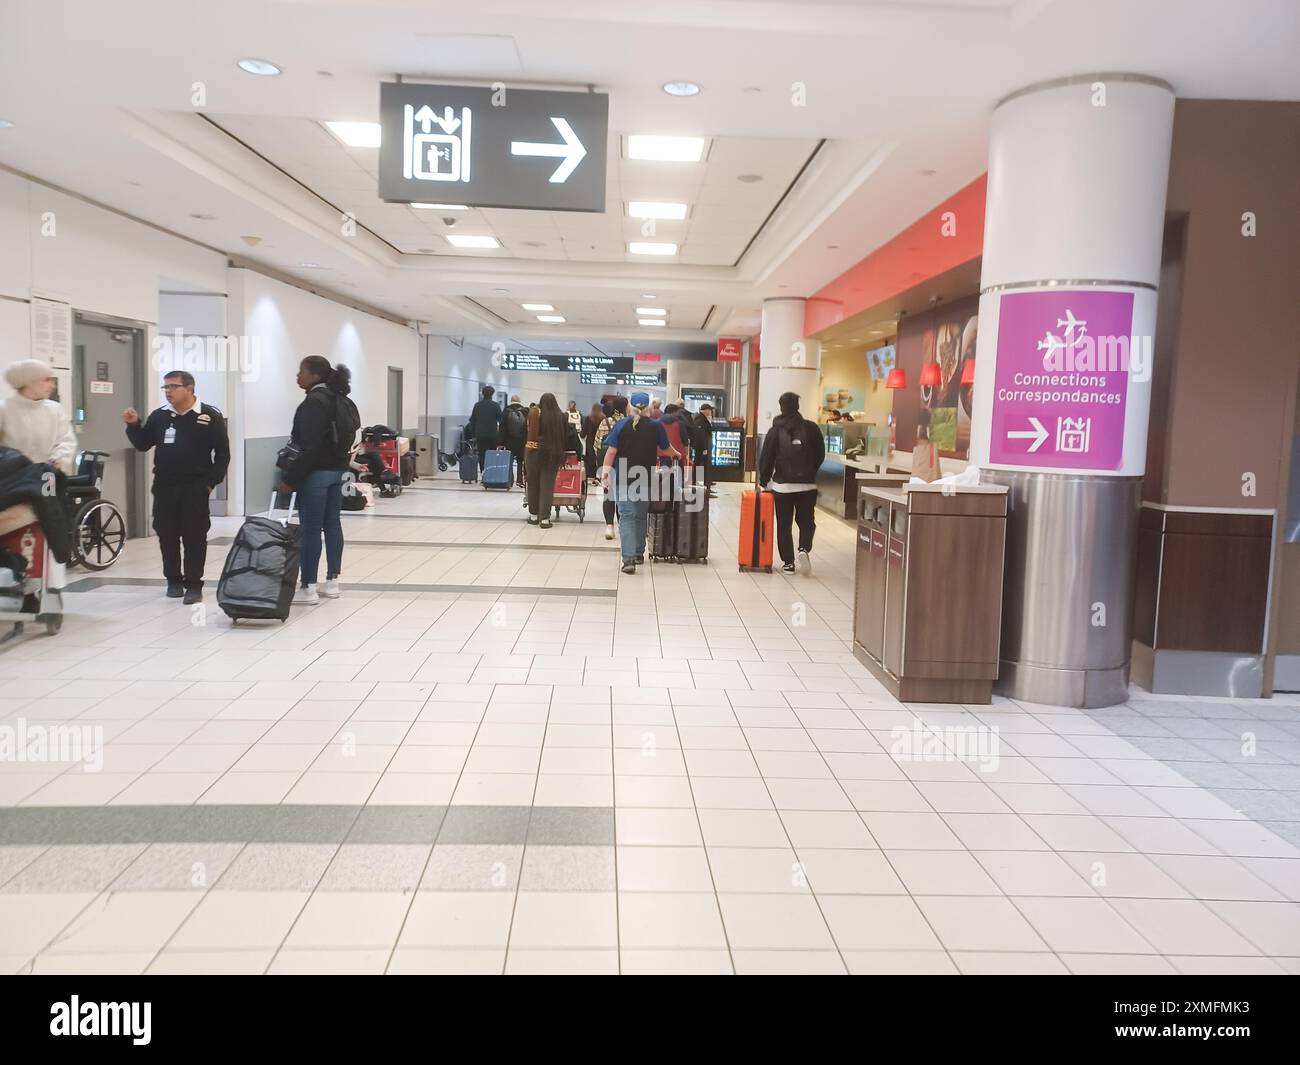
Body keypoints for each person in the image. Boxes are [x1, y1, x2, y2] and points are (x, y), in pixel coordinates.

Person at [124, 369, 230, 604]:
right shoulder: (160, 416)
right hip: (165, 486)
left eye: (173, 386)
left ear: (190, 388)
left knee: (195, 536)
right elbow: (143, 444)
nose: (168, 392)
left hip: (196, 487)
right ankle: (173, 580)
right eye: (166, 387)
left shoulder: (209, 416)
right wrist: (134, 426)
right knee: (167, 535)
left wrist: (211, 483)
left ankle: (194, 584)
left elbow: (223, 454)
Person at [275, 357, 359, 605]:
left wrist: (290, 479)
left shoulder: (314, 402)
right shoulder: (342, 400)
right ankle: (332, 582)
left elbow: (308, 447)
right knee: (333, 524)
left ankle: (308, 586)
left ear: (314, 376)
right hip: (339, 471)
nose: (297, 377)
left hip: (316, 475)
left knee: (311, 529)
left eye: (301, 372)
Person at [1, 359, 78, 605]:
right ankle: (21, 584)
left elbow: (66, 440)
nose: (51, 384)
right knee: (14, 532)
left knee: (47, 527)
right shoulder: (4, 408)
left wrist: (58, 461)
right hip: (12, 481)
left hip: (46, 476)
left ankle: (48, 587)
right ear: (27, 383)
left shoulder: (54, 409)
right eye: (46, 379)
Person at [600, 391, 679, 574]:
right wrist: (676, 454)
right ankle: (637, 552)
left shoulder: (621, 425)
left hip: (624, 478)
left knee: (627, 516)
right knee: (641, 515)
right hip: (645, 478)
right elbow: (665, 448)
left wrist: (605, 473)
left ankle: (628, 559)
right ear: (648, 407)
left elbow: (611, 452)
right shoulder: (655, 426)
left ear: (631, 407)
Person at [758, 391, 825, 576]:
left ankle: (788, 563)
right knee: (806, 521)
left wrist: (764, 481)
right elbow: (821, 453)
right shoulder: (811, 428)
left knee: (784, 524)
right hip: (807, 486)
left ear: (781, 407)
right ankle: (803, 549)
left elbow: (766, 458)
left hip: (782, 486)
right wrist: (811, 472)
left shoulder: (775, 431)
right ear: (798, 406)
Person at [524, 392, 579, 528]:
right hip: (552, 454)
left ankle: (533, 516)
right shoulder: (562, 417)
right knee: (547, 486)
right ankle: (545, 519)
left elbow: (526, 433)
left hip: (533, 452)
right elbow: (567, 437)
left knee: (533, 484)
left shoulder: (535, 414)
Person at [595, 397, 625, 540]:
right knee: (621, 493)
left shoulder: (605, 421)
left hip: (606, 461)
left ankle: (609, 527)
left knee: (608, 493)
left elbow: (597, 444)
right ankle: (622, 525)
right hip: (622, 462)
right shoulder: (628, 422)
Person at [467, 383, 503, 476]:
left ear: (482, 394)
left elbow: (472, 421)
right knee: (492, 454)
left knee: (482, 454)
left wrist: (473, 435)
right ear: (492, 394)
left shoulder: (477, 405)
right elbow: (501, 420)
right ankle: (491, 474)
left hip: (480, 435)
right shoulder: (495, 406)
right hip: (492, 435)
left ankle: (483, 474)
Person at [502, 394, 529, 488]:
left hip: (510, 440)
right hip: (522, 440)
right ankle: (520, 480)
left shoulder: (506, 411)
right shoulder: (525, 411)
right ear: (519, 401)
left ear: (511, 400)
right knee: (520, 461)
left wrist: (501, 442)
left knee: (509, 461)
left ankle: (509, 481)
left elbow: (502, 428)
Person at [691, 402, 716, 498]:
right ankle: (702, 489)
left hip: (702, 448)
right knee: (701, 467)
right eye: (710, 410)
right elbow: (700, 435)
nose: (711, 412)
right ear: (705, 411)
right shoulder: (700, 420)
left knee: (702, 467)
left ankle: (705, 488)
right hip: (701, 449)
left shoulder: (701, 419)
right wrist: (704, 448)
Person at [583, 402, 603, 483]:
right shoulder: (604, 419)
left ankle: (590, 482)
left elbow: (582, 434)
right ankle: (598, 480)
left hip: (590, 445)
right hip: (599, 444)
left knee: (590, 466)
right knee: (598, 463)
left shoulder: (588, 418)